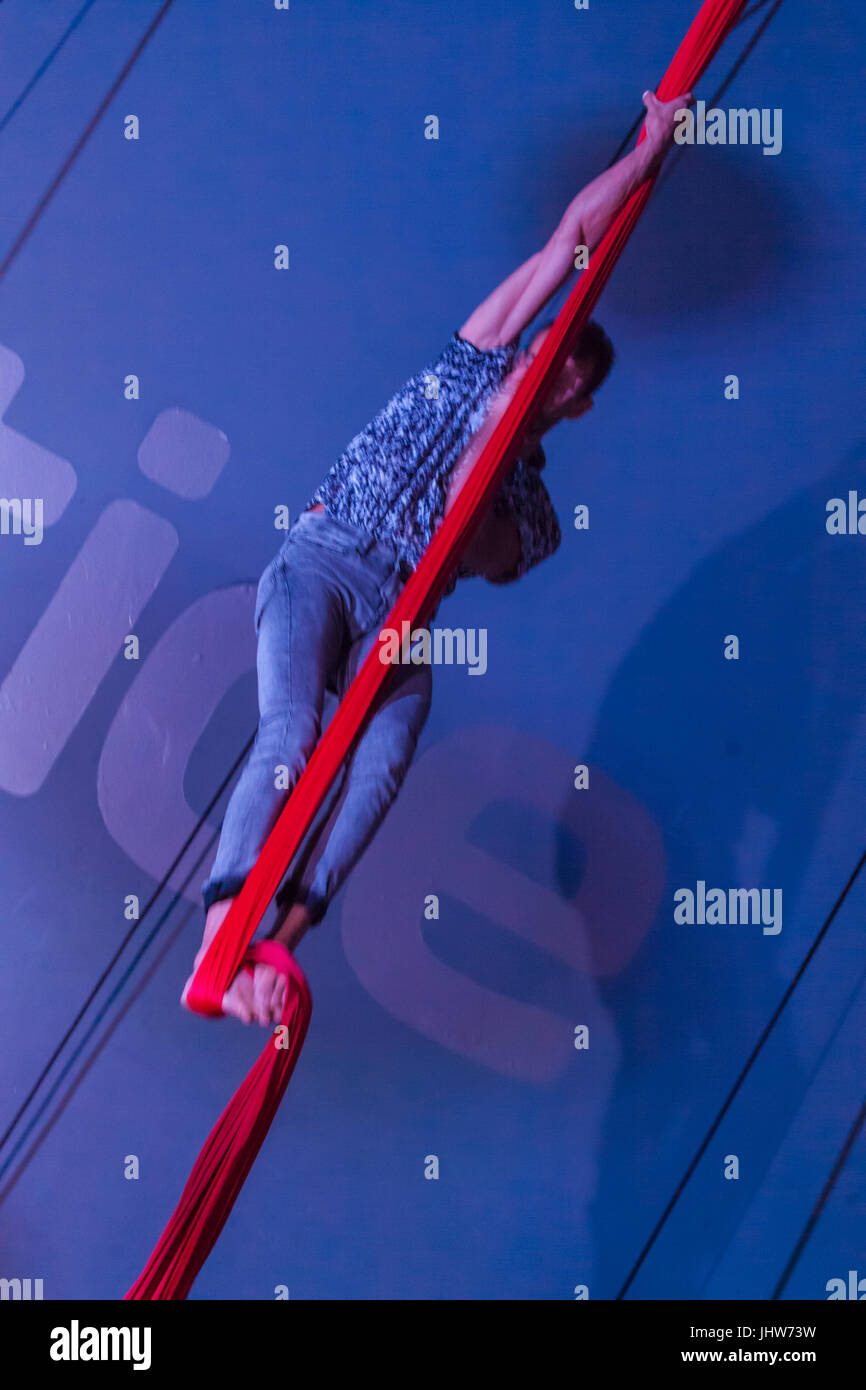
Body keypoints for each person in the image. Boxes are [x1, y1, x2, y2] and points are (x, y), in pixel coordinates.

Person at [182, 88, 691, 1026]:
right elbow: (573, 236)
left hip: (400, 616)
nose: (553, 365)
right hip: (327, 557)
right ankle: (223, 926)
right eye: (554, 346)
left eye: (571, 374)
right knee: (295, 734)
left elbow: (480, 535)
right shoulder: (478, 355)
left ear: (576, 407)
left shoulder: (535, 514)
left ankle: (278, 942)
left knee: (380, 763)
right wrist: (651, 151)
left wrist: (501, 443)